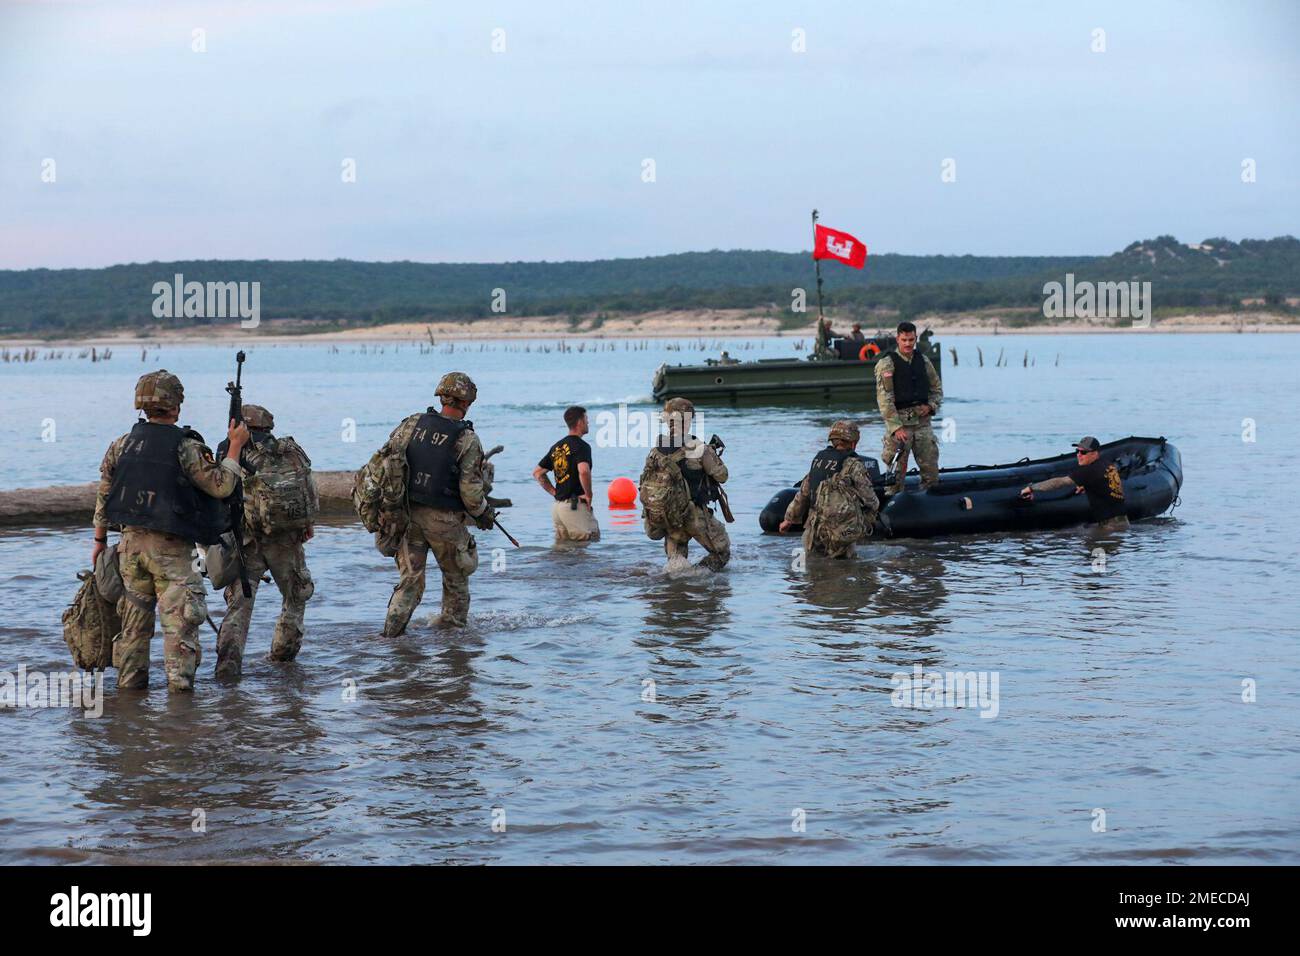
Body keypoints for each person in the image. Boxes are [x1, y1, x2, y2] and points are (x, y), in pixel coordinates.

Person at [92, 371, 248, 692]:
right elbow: (221, 486)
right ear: (176, 406)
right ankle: (181, 710)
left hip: (129, 548)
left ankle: (130, 704)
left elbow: (104, 495)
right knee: (180, 631)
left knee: (133, 630)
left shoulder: (121, 445)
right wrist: (234, 448)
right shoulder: (187, 447)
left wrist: (99, 541)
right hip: (174, 551)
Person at [380, 372, 495, 636]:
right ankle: (453, 648)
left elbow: (385, 465)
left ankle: (390, 639)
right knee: (456, 580)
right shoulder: (467, 439)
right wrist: (484, 515)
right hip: (444, 522)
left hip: (406, 517)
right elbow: (471, 494)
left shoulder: (411, 424)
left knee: (409, 582)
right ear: (466, 402)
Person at [213, 404, 317, 681]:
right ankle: (283, 659)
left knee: (240, 605)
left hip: (245, 541)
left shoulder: (230, 450)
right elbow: (307, 487)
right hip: (286, 539)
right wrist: (307, 524)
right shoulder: (289, 451)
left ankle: (228, 666)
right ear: (269, 427)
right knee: (296, 596)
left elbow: (218, 495)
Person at [640, 397, 730, 571]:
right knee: (721, 553)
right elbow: (722, 476)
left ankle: (679, 591)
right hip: (694, 515)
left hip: (669, 517)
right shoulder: (697, 446)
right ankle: (698, 577)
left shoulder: (655, 450)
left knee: (676, 566)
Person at [779, 420, 881, 558]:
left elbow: (804, 493)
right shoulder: (853, 465)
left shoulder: (819, 461)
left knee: (815, 570)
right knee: (843, 568)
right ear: (853, 443)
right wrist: (871, 515)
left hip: (815, 528)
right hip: (841, 530)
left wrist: (788, 520)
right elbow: (869, 498)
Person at [875, 320, 943, 493]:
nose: (908, 344)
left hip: (923, 423)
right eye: (904, 340)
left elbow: (937, 389)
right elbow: (884, 399)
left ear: (915, 339)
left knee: (931, 472)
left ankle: (929, 505)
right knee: (896, 476)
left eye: (911, 340)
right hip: (900, 425)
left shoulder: (924, 361)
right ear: (898, 339)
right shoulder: (887, 364)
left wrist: (931, 406)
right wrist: (896, 427)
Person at [1019, 436, 1129, 531]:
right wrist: (1090, 486)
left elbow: (1060, 482)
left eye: (1083, 452)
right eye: (1078, 451)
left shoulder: (1089, 470)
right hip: (1120, 521)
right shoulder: (1107, 464)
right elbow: (1112, 485)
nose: (1079, 455)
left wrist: (1032, 488)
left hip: (1111, 525)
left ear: (1094, 453)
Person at [534, 405, 599, 543]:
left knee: (562, 553)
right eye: (586, 419)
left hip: (558, 508)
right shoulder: (582, 446)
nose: (588, 422)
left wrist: (555, 493)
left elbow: (538, 473)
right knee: (589, 542)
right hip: (574, 507)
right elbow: (583, 471)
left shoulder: (557, 447)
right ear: (580, 422)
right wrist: (589, 494)